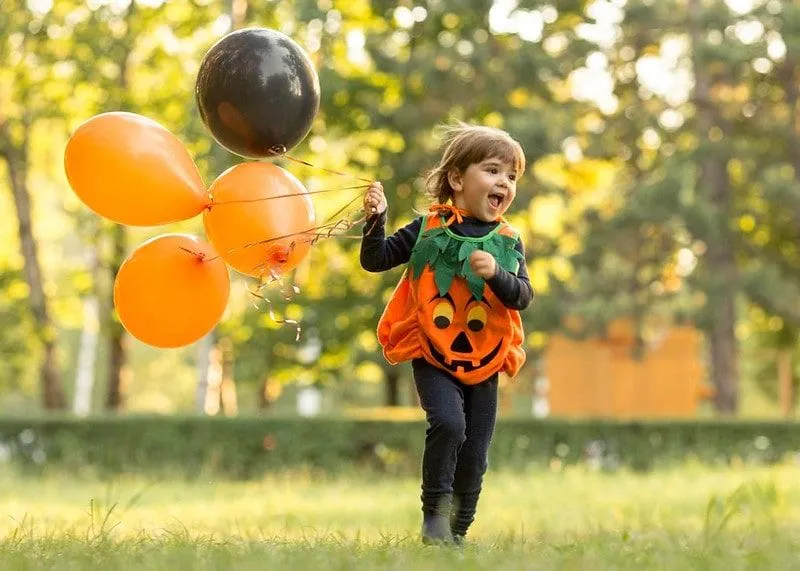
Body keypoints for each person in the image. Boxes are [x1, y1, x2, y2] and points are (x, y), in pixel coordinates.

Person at [360, 123, 533, 545]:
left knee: (475, 452)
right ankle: (434, 519)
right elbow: (376, 260)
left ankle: (457, 532)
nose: (504, 183)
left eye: (511, 176)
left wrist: (496, 275)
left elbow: (523, 297)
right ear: (457, 178)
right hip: (434, 352)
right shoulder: (427, 229)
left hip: (485, 357)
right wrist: (376, 220)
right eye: (493, 171)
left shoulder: (508, 241)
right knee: (449, 425)